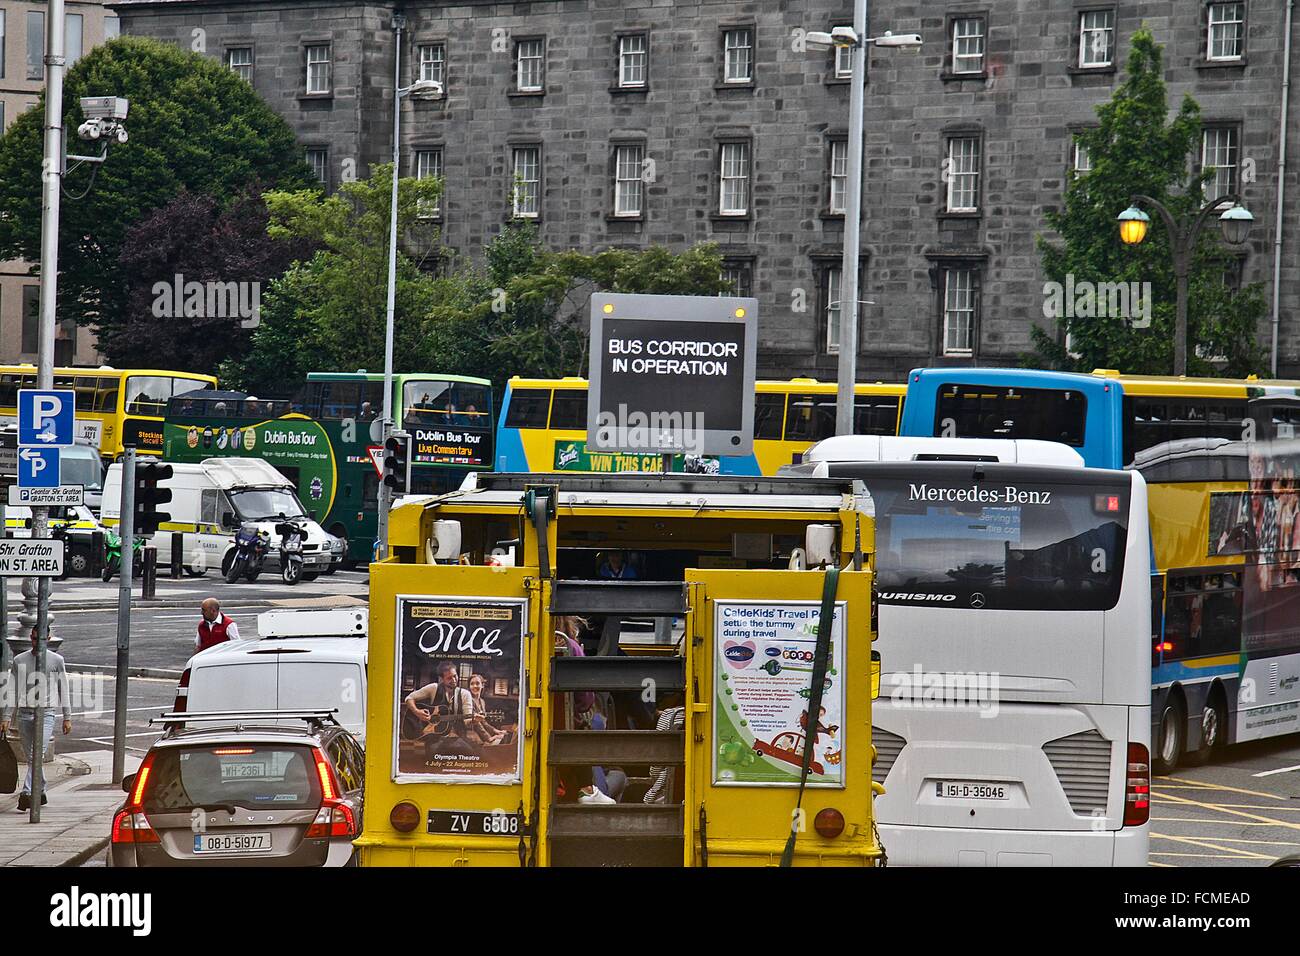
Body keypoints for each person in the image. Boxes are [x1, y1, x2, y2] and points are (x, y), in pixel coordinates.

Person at [1, 628, 73, 811]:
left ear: (48, 639)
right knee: (32, 756)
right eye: (33, 638)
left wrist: (67, 717)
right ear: (30, 638)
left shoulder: (56, 660)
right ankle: (40, 789)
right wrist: (6, 716)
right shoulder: (20, 660)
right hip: (24, 713)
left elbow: (63, 689)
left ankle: (26, 794)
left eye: (39, 639)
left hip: (46, 713)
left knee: (36, 755)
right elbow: (12, 690)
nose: (36, 642)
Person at [403, 662, 477, 756]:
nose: (454, 680)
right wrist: (417, 712)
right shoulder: (434, 688)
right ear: (442, 679)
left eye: (455, 676)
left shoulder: (465, 694)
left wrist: (474, 720)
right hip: (435, 739)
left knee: (469, 757)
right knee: (433, 760)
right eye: (449, 678)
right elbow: (409, 698)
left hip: (458, 737)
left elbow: (467, 720)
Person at [466, 673, 506, 745]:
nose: (475, 686)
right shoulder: (468, 701)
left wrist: (496, 731)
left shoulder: (482, 701)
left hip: (479, 735)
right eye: (472, 684)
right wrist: (488, 738)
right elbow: (476, 723)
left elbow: (483, 722)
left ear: (482, 685)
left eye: (477, 683)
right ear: (469, 686)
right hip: (469, 735)